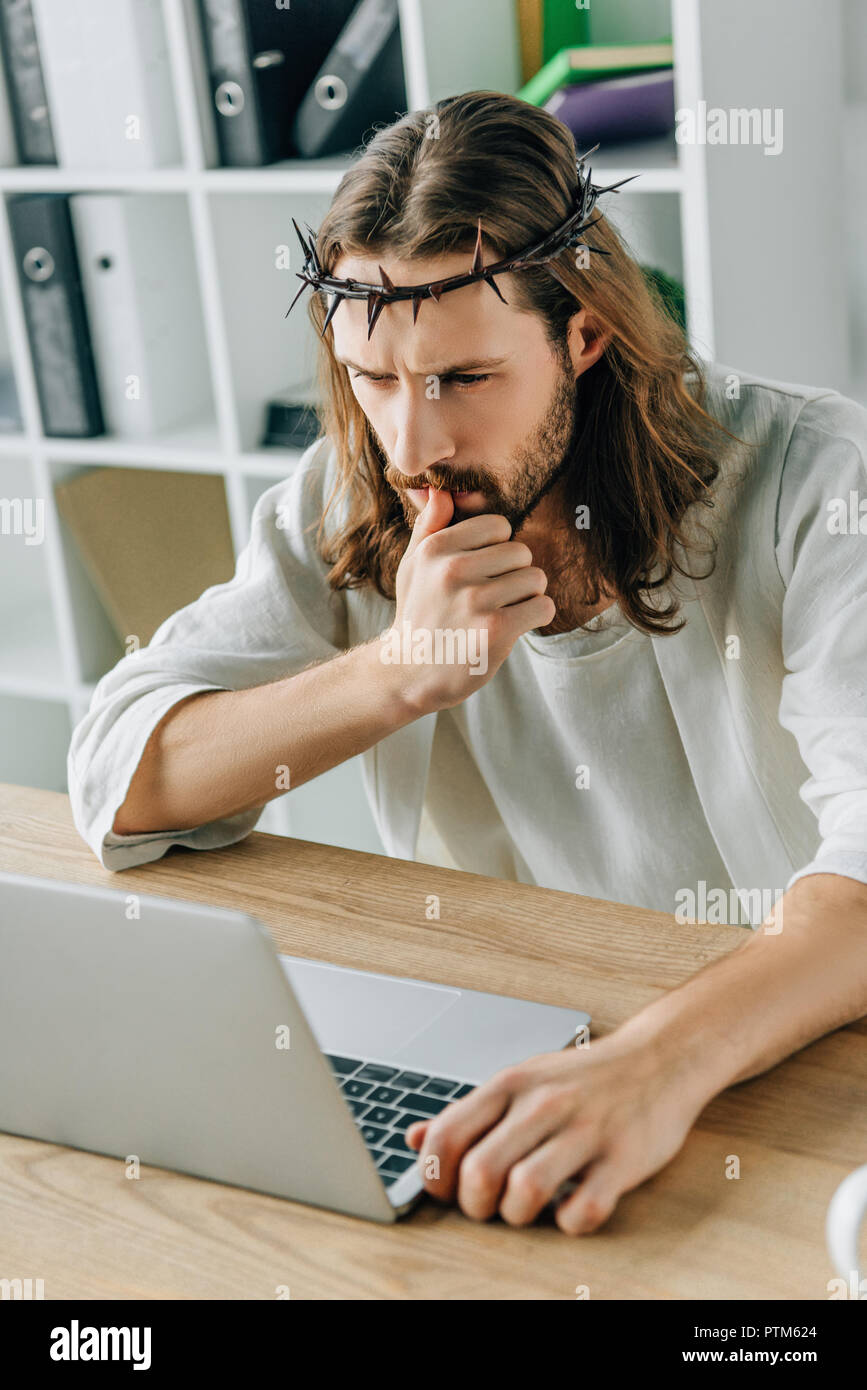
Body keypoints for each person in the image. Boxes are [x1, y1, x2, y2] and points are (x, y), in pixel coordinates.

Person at [69, 92, 867, 1235]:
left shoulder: (816, 480)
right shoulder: (350, 495)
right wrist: (393, 673)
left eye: (463, 379)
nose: (412, 442)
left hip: (775, 1058)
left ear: (584, 334)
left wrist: (648, 1067)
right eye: (374, 379)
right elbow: (117, 775)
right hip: (506, 1050)